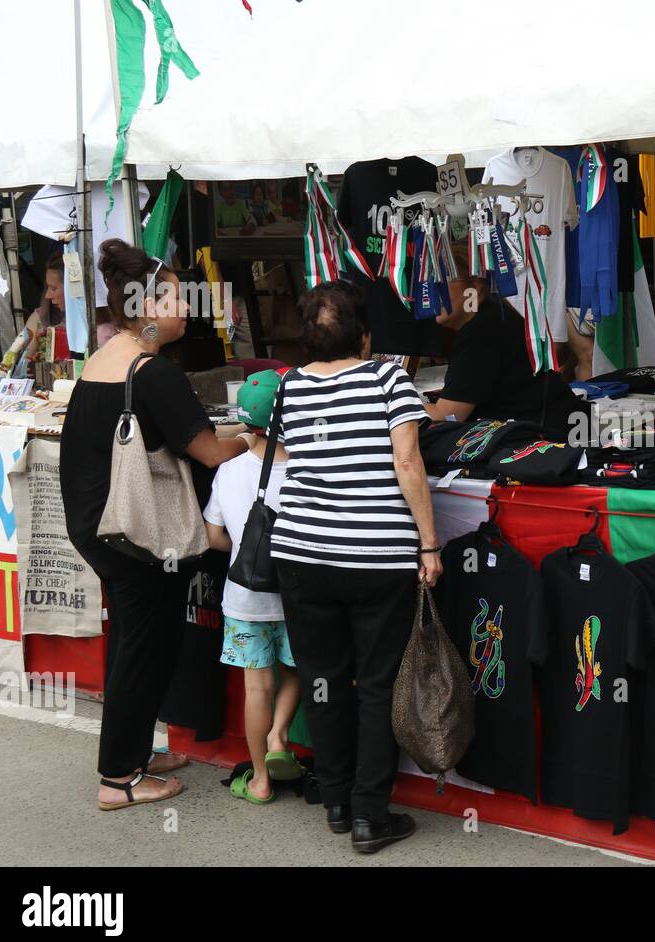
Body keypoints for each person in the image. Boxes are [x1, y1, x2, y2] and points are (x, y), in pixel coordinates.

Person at [60, 238, 257, 811]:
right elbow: (211, 454)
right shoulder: (153, 373)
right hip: (137, 534)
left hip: (99, 526)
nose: (186, 307)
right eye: (176, 297)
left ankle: (132, 756)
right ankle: (119, 778)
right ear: (147, 307)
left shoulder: (105, 358)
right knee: (144, 647)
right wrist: (255, 436)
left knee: (130, 640)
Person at [270, 281, 441, 854]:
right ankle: (370, 815)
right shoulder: (388, 377)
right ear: (365, 336)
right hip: (375, 556)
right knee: (374, 685)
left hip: (300, 553)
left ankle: (337, 801)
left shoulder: (288, 386)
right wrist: (430, 544)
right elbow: (408, 461)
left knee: (322, 678)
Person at [203, 369, 301, 804]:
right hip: (297, 596)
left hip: (244, 597)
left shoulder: (228, 470)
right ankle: (281, 735)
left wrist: (244, 549)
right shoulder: (304, 468)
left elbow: (214, 537)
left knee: (256, 686)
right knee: (301, 671)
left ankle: (260, 779)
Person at [425, 243, 588, 439]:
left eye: (443, 282)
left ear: (475, 289)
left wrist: (400, 405)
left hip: (548, 439)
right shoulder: (492, 316)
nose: (433, 292)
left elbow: (447, 416)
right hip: (555, 427)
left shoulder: (481, 331)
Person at [24, 253, 67, 364]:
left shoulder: (94, 319)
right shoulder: (41, 317)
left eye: (53, 288)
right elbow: (21, 359)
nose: (47, 295)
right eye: (48, 287)